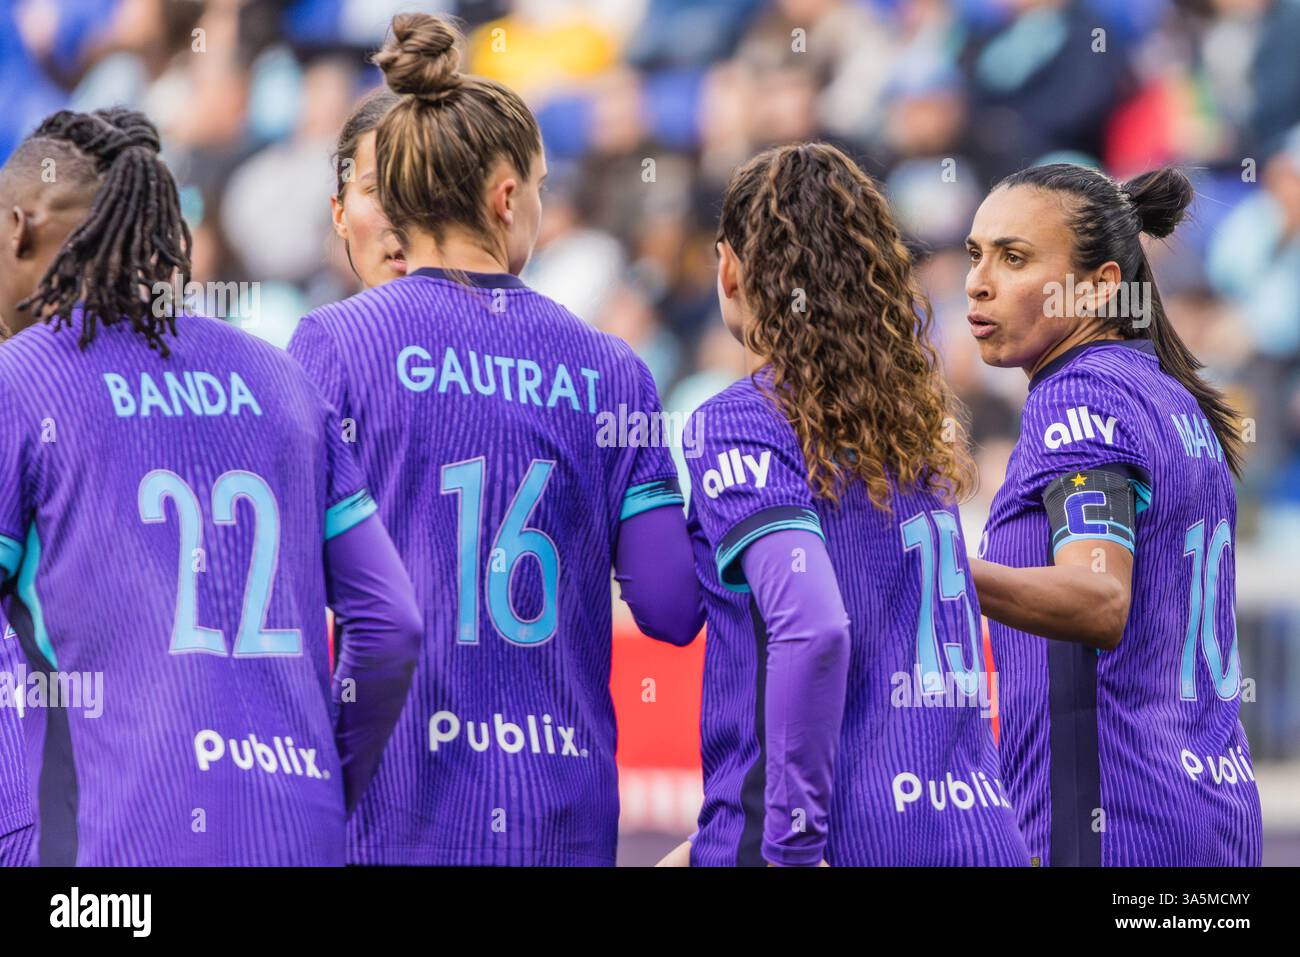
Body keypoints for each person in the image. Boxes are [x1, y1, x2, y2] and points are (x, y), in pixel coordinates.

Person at [288, 12, 703, 866]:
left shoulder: (332, 345)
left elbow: (290, 598)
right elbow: (669, 608)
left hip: (389, 808)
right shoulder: (611, 369)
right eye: (543, 187)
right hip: (562, 814)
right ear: (507, 195)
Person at [0, 105, 421, 865]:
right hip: (298, 832)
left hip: (114, 854)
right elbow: (391, 625)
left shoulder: (22, 380)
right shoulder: (283, 379)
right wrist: (323, 785)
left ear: (18, 229)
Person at [678, 142, 1027, 866]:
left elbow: (815, 629)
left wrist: (792, 846)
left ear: (730, 269)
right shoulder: (914, 432)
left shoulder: (743, 419)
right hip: (978, 832)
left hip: (845, 836)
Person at [966, 163, 1262, 866]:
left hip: (1115, 826)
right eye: (976, 253)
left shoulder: (1078, 395)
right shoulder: (1171, 400)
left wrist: (926, 560)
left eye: (1014, 257)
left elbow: (1099, 597)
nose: (978, 281)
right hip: (1213, 818)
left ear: (1099, 285)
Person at [330, 88, 404, 290]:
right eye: (378, 192)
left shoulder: (493, 317)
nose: (402, 215)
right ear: (340, 214)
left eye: (424, 191)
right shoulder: (320, 322)